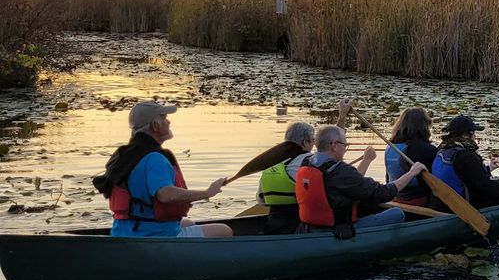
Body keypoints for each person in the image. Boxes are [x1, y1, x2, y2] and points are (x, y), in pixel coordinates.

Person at [94, 100, 232, 238]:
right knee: (224, 230)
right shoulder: (155, 159)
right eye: (164, 118)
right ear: (155, 126)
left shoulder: (124, 154)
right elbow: (165, 194)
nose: (169, 122)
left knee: (188, 222)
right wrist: (207, 192)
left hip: (123, 231)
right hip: (154, 235)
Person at [295, 124, 426, 238]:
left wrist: (366, 160)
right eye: (344, 145)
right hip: (339, 230)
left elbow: (350, 182)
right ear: (334, 145)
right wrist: (411, 173)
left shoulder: (307, 163)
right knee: (397, 213)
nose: (345, 149)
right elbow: (383, 193)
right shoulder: (340, 171)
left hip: (309, 228)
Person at [256, 99, 353, 234]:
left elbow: (261, 201)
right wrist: (342, 115)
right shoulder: (310, 162)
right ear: (305, 142)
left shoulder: (271, 165)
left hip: (272, 228)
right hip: (300, 229)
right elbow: (333, 146)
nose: (314, 144)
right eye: (313, 140)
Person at [431, 115, 499, 209]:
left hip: (442, 203)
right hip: (463, 206)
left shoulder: (442, 149)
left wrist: (489, 168)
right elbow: (487, 188)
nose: (475, 136)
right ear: (465, 135)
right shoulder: (467, 156)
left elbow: (469, 175)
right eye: (473, 133)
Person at [385, 107, 438, 206]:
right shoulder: (426, 149)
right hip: (417, 199)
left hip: (395, 196)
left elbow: (388, 178)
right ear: (424, 126)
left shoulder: (390, 147)